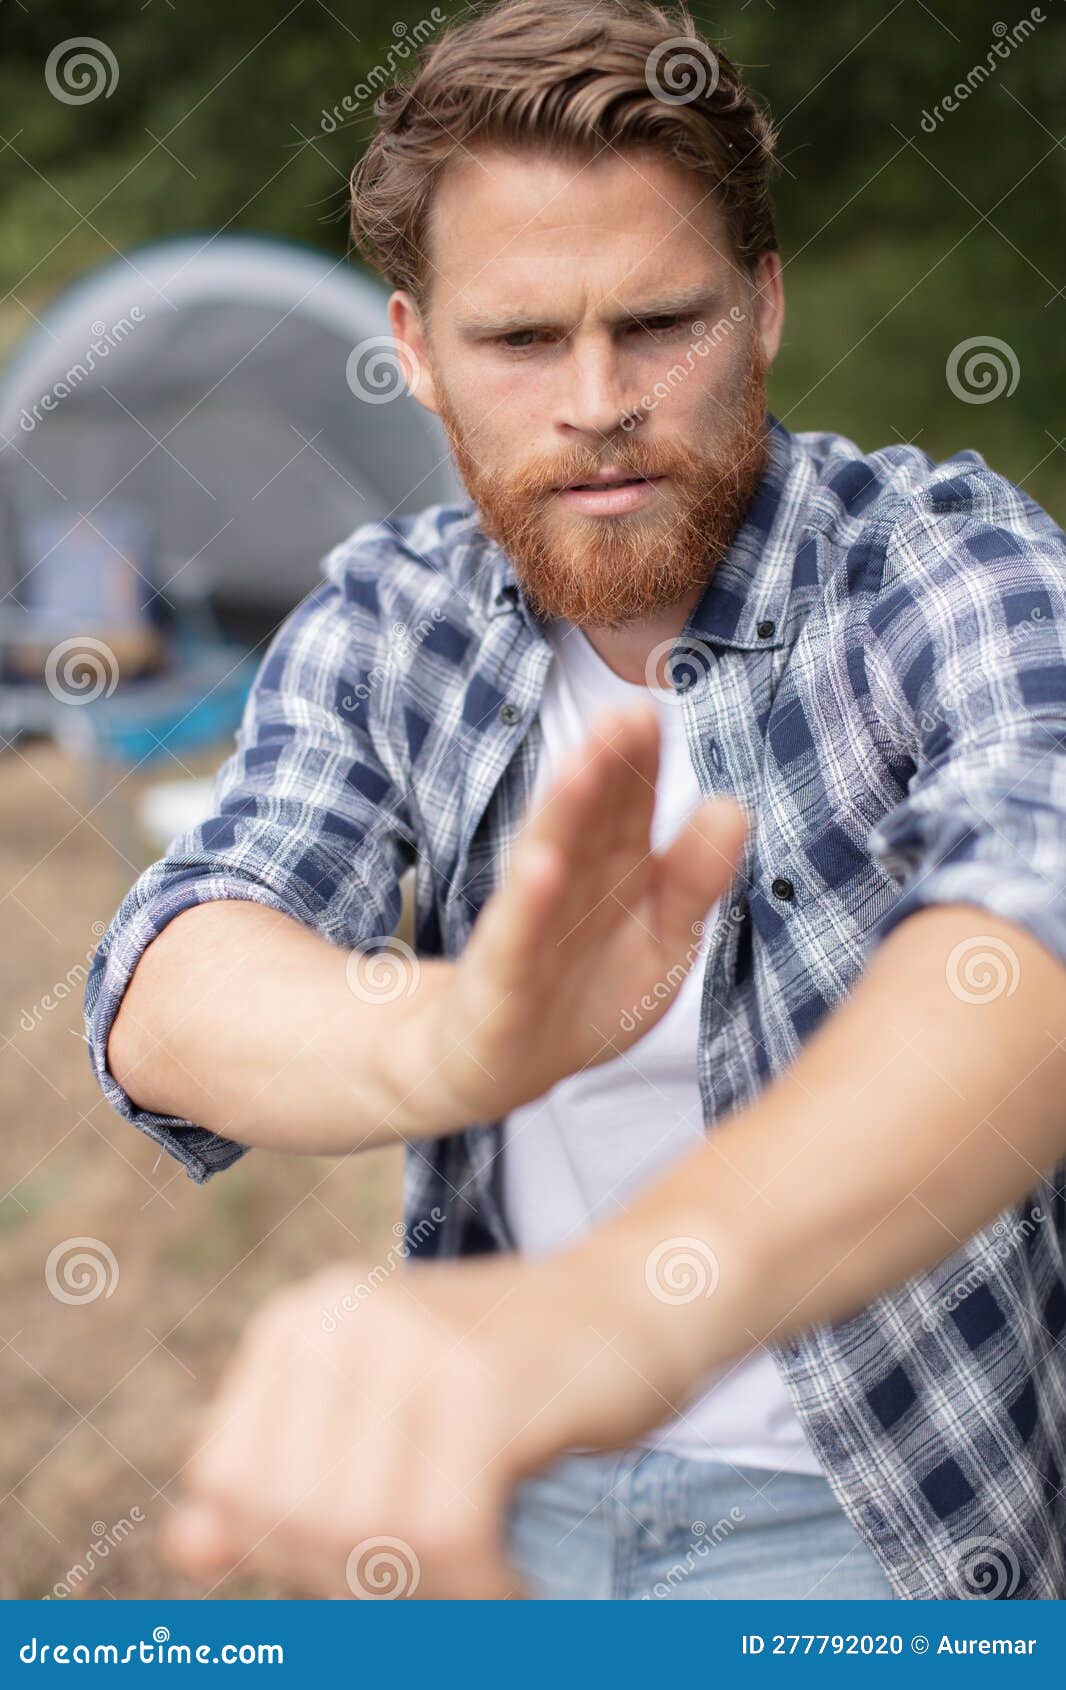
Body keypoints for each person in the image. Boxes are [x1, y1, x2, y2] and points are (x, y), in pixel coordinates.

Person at [85, 0, 1066, 1601]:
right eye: (523, 340)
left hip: (876, 1514)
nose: (596, 397)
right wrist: (452, 1029)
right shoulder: (389, 610)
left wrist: (616, 1313)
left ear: (761, 309)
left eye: (657, 324)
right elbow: (174, 967)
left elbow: (1037, 919)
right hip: (495, 1489)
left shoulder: (941, 565)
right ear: (413, 351)